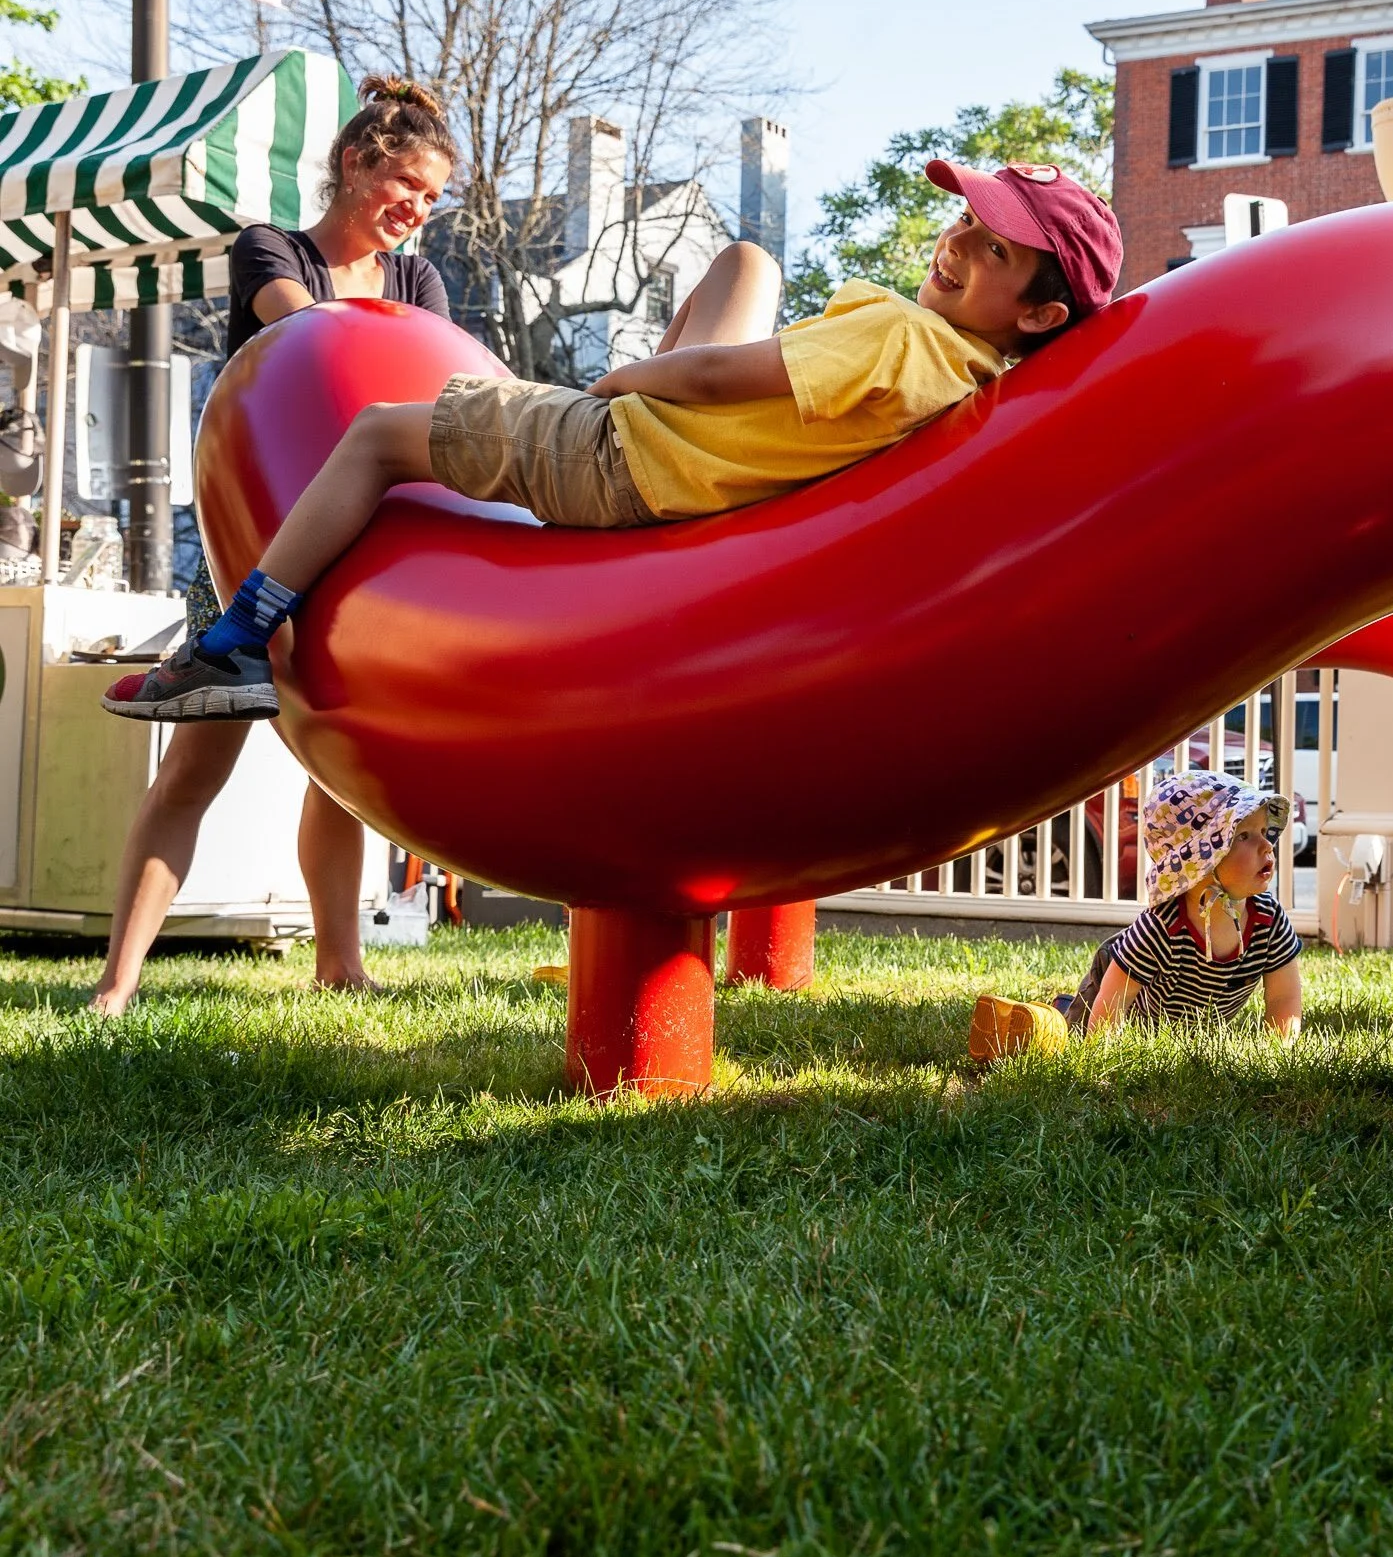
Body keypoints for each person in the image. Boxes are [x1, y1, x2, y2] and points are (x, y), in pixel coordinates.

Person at [101, 158, 1123, 723]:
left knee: (375, 437)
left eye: (992, 249)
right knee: (750, 265)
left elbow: (726, 377)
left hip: (624, 452)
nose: (954, 246)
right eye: (964, 224)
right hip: (687, 473)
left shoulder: (905, 336)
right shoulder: (965, 371)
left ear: (1038, 311)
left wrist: (627, 377)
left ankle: (233, 642)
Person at [90, 76, 458, 1014]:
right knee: (197, 766)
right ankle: (116, 983)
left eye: (431, 199)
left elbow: (436, 382)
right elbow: (307, 337)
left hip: (359, 555)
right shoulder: (270, 249)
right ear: (354, 164)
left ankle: (339, 962)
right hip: (253, 541)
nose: (416, 212)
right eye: (406, 186)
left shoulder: (416, 280)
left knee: (337, 770)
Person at [1059, 769, 1305, 1038]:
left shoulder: (1269, 920)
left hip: (1193, 1030)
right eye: (1243, 836)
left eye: (1262, 831)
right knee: (1066, 1031)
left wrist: (1278, 1050)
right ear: (1198, 863)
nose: (1267, 845)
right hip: (1110, 996)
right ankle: (1059, 1010)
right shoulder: (1162, 926)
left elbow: (1284, 997)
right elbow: (1113, 1000)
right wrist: (1104, 1058)